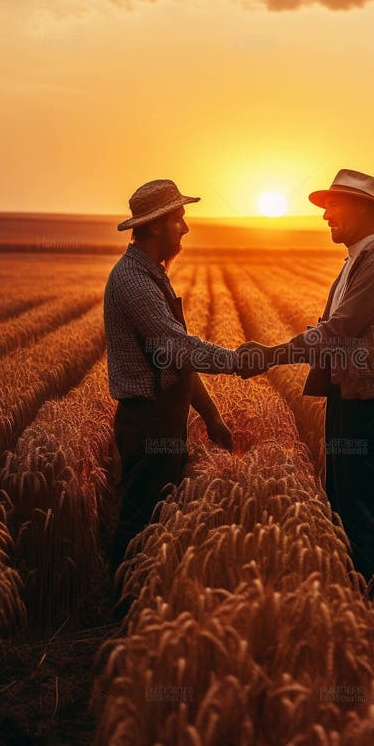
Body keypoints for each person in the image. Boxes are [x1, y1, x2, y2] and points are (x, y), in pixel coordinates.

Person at [240, 169, 374, 634]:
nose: (325, 216)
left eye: (332, 206)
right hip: (351, 396)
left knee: (369, 505)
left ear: (360, 208)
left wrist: (272, 355)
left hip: (369, 402)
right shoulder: (357, 262)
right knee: (346, 500)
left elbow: (336, 331)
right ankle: (367, 615)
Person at [104, 178, 244, 605]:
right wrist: (239, 361)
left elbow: (174, 361)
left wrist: (211, 414)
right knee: (141, 521)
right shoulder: (133, 281)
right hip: (148, 422)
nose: (185, 228)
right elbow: (177, 346)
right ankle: (126, 614)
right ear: (155, 226)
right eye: (179, 219)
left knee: (158, 519)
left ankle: (146, 607)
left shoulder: (152, 275)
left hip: (163, 418)